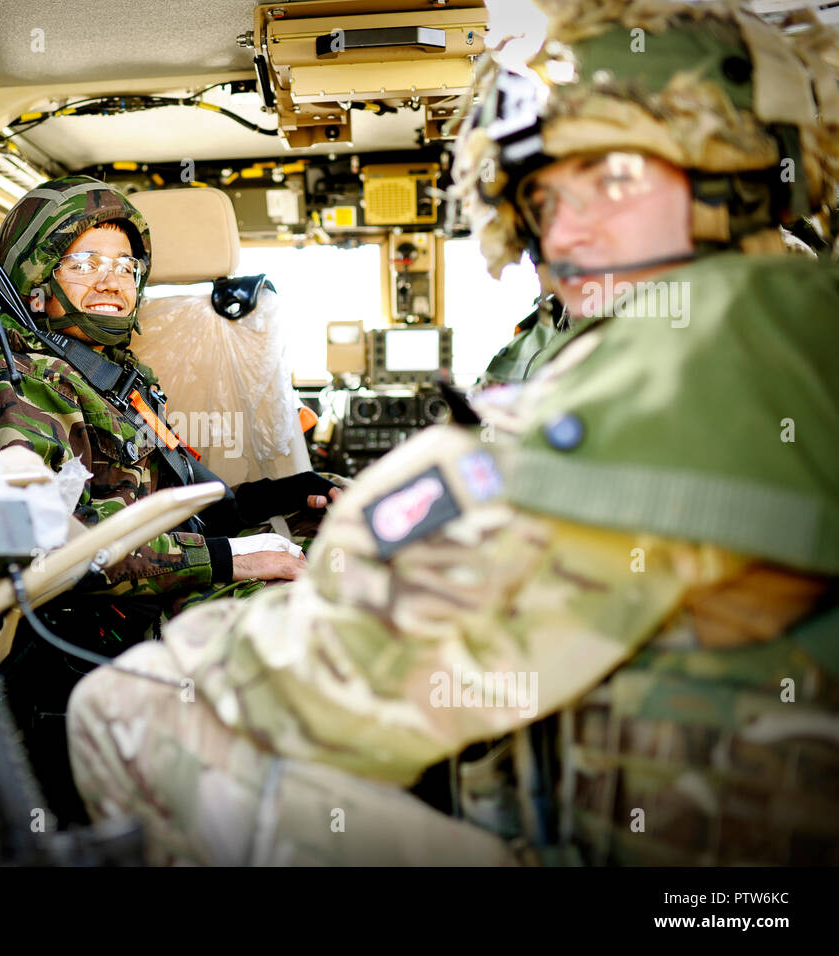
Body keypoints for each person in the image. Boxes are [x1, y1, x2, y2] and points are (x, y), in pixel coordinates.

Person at [65, 0, 839, 865]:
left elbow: (344, 673)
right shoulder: (773, 319)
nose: (568, 230)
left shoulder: (710, 345)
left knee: (122, 709)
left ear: (728, 171)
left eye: (614, 179)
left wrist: (214, 638)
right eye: (546, 193)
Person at [0, 176, 344, 820]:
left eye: (124, 265)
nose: (111, 281)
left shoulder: (113, 376)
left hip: (154, 603)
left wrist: (285, 493)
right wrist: (231, 561)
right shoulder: (24, 380)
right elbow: (62, 550)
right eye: (86, 263)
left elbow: (175, 498)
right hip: (102, 635)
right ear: (39, 278)